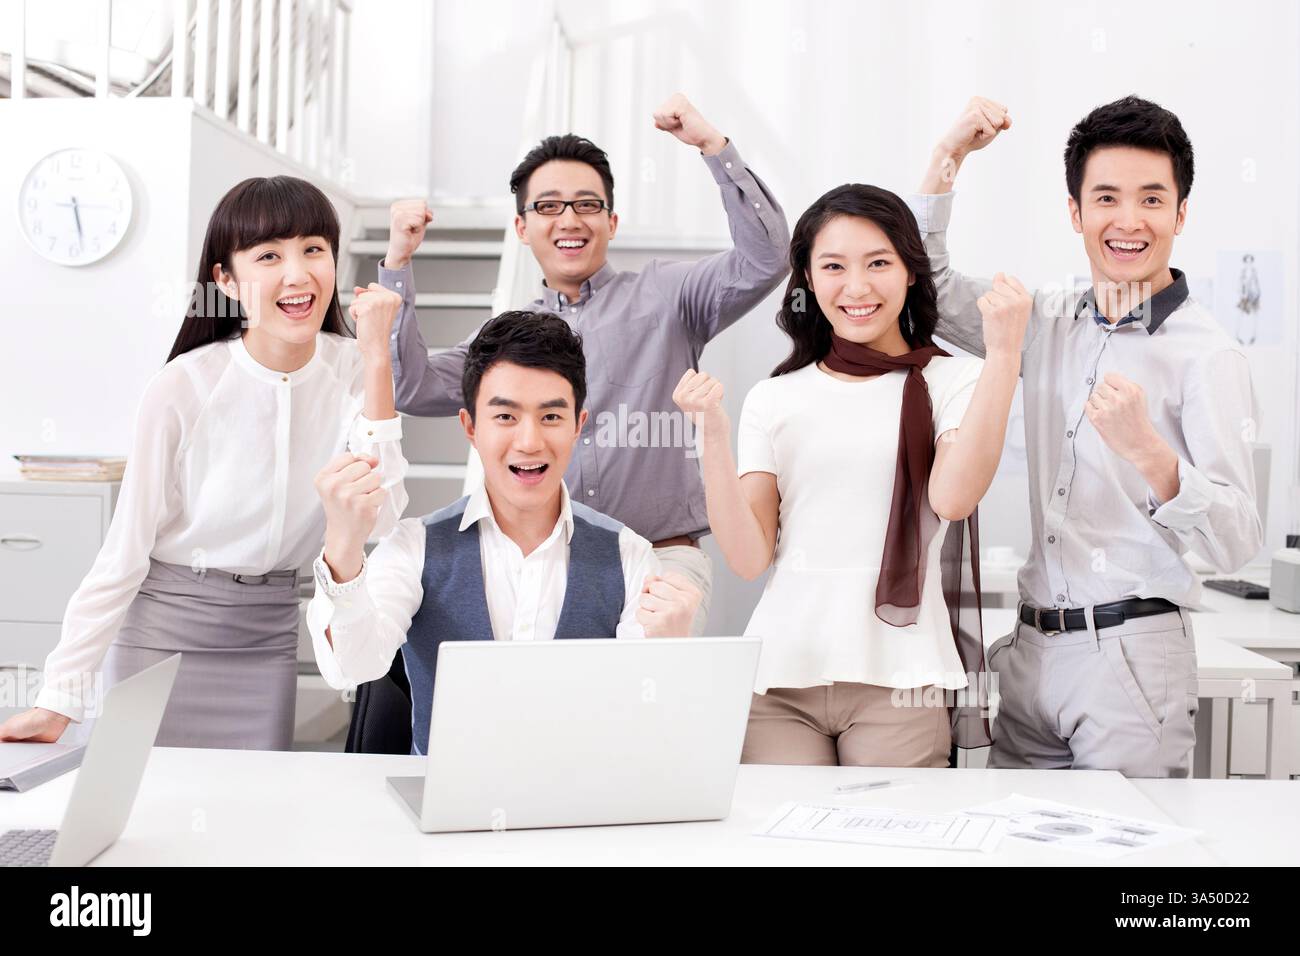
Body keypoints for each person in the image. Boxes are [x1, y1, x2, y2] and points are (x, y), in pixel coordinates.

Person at [913, 96, 1263, 776]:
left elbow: (1238, 539)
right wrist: (946, 159)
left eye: (1152, 200)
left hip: (1131, 657)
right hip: (1031, 652)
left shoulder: (1209, 355)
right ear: (1075, 212)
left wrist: (1152, 456)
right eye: (1106, 198)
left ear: (1181, 214)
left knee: (1123, 868)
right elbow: (926, 290)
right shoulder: (1046, 319)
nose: (1128, 221)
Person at [0, 176, 408, 751]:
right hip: (161, 636)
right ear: (226, 280)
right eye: (269, 255)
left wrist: (376, 362)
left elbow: (384, 514)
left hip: (265, 635)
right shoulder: (183, 386)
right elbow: (123, 554)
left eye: (314, 249)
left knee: (247, 824)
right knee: (145, 819)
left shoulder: (352, 369)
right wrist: (58, 699)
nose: (297, 273)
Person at [375, 93, 791, 635]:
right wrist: (397, 263)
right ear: (522, 228)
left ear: (611, 221)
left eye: (586, 204)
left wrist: (714, 147)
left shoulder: (671, 296)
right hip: (553, 563)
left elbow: (767, 258)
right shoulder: (507, 339)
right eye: (547, 206)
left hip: (661, 561)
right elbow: (412, 386)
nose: (568, 219)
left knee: (646, 709)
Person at [674, 184, 1028, 767]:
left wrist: (1006, 356)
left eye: (879, 263)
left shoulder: (954, 381)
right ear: (809, 280)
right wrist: (711, 433)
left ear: (911, 272)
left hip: (903, 678)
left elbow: (954, 496)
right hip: (781, 679)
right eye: (833, 266)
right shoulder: (774, 397)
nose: (857, 287)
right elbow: (746, 557)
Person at [307, 311, 701, 756]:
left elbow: (642, 728)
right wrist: (342, 548)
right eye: (506, 417)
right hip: (445, 811)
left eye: (551, 416)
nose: (530, 441)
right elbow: (351, 667)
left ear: (579, 426)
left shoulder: (629, 555)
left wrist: (670, 653)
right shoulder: (414, 547)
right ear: (471, 427)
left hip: (579, 815)